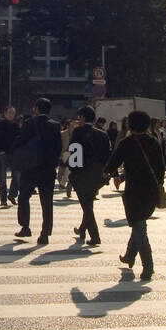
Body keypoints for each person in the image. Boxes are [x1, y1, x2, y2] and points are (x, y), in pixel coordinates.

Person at [104, 110, 165, 278]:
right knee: (139, 223)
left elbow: (113, 163)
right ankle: (129, 256)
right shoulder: (154, 142)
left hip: (134, 191)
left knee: (139, 227)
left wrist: (109, 174)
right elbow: (161, 167)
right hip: (151, 191)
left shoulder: (127, 142)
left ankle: (148, 266)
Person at [12, 98, 62, 245]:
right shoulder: (55, 126)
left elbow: (21, 141)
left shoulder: (30, 123)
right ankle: (45, 233)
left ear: (37, 109)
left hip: (31, 168)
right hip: (48, 169)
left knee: (24, 197)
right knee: (47, 202)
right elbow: (58, 147)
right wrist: (53, 163)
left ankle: (25, 226)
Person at [69, 105, 111, 247]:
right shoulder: (103, 134)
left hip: (82, 173)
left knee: (86, 205)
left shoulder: (78, 132)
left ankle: (95, 236)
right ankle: (82, 229)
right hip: (98, 174)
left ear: (82, 117)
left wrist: (72, 171)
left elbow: (74, 153)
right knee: (88, 202)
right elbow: (107, 156)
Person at [0, 106, 19, 208]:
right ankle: (3, 199)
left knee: (17, 175)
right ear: (5, 113)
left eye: (13, 113)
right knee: (2, 178)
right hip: (2, 154)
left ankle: (12, 194)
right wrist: (0, 150)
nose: (11, 115)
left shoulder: (15, 125)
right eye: (10, 113)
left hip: (14, 154)